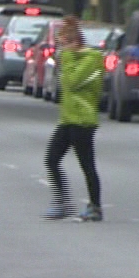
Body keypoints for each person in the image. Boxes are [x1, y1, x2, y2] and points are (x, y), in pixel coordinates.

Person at [45, 16, 104, 222]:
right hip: (69, 118)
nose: (61, 51)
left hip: (83, 120)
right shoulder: (73, 59)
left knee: (87, 164)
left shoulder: (92, 60)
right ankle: (63, 201)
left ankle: (95, 206)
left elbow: (72, 83)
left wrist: (67, 59)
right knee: (52, 159)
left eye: (63, 44)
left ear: (74, 42)